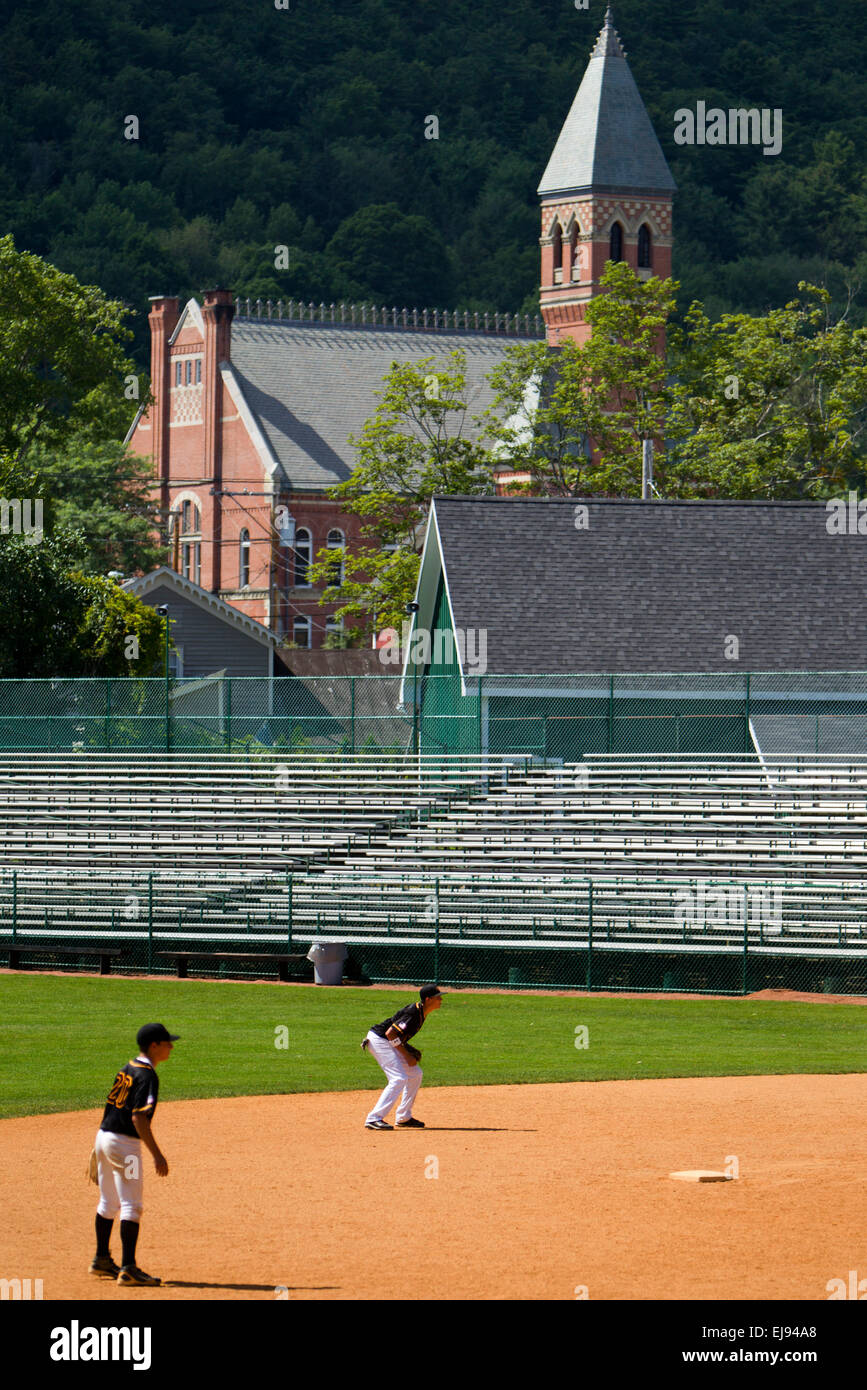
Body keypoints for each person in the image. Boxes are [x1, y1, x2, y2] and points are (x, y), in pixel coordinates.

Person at [89, 1022, 179, 1286]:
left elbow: (111, 1106)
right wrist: (157, 1155)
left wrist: (99, 1147)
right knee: (132, 1205)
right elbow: (139, 1118)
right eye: (167, 1043)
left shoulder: (128, 1068)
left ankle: (102, 1259)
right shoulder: (148, 1076)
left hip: (105, 1136)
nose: (171, 1047)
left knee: (108, 1202)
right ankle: (128, 1268)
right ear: (154, 1046)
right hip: (124, 1146)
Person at [361, 984, 443, 1130]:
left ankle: (404, 1117)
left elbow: (398, 1036)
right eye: (438, 997)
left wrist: (410, 1049)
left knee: (415, 1074)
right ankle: (374, 1118)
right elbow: (390, 1033)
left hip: (388, 1041)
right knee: (398, 1078)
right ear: (428, 999)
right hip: (380, 1040)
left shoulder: (421, 1013)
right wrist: (406, 1054)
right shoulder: (413, 1012)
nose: (441, 999)